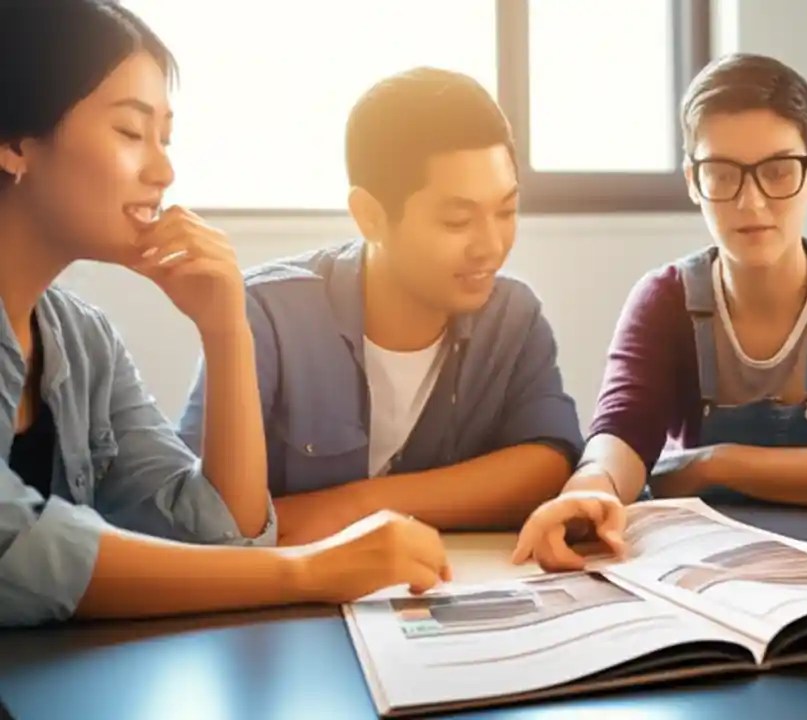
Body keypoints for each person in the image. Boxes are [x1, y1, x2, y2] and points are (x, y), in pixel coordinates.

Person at [0, 0, 448, 627]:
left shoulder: (84, 343)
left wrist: (226, 328)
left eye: (166, 139)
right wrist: (308, 569)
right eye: (131, 132)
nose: (163, 170)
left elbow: (222, 541)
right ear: (16, 143)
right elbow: (14, 548)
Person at [513, 53, 807, 570]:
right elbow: (619, 438)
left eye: (779, 171)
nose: (752, 203)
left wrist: (717, 463)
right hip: (708, 569)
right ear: (693, 180)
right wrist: (587, 491)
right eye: (722, 175)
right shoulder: (664, 299)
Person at [178, 67, 583, 545]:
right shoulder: (267, 316)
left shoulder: (513, 317)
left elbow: (547, 462)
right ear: (370, 216)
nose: (491, 246)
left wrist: (359, 505)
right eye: (457, 221)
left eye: (507, 211)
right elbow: (203, 515)